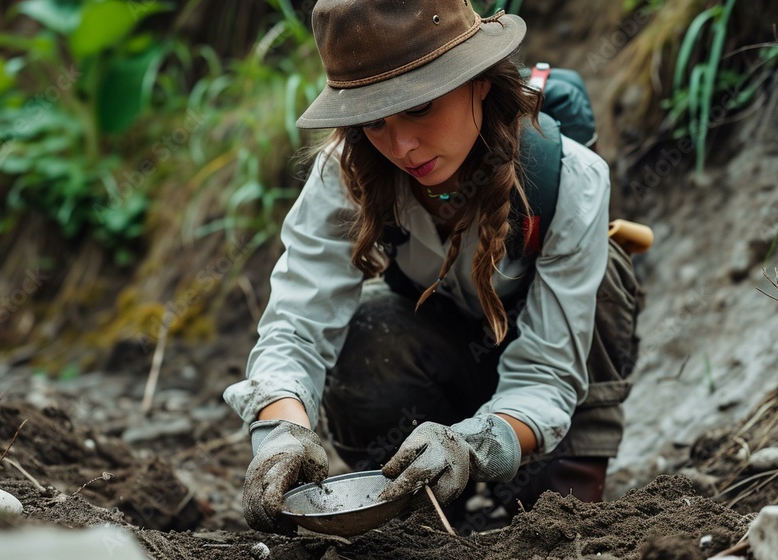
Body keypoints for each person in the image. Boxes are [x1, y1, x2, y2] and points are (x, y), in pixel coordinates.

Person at [223, 0, 643, 534]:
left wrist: (472, 445)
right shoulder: (348, 171)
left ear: (480, 81)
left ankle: (553, 480)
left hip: (548, 406)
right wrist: (279, 432)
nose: (401, 146)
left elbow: (548, 372)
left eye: (419, 107)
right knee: (369, 327)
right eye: (373, 121)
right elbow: (296, 327)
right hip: (440, 377)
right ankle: (419, 506)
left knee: (608, 278)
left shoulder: (572, 180)